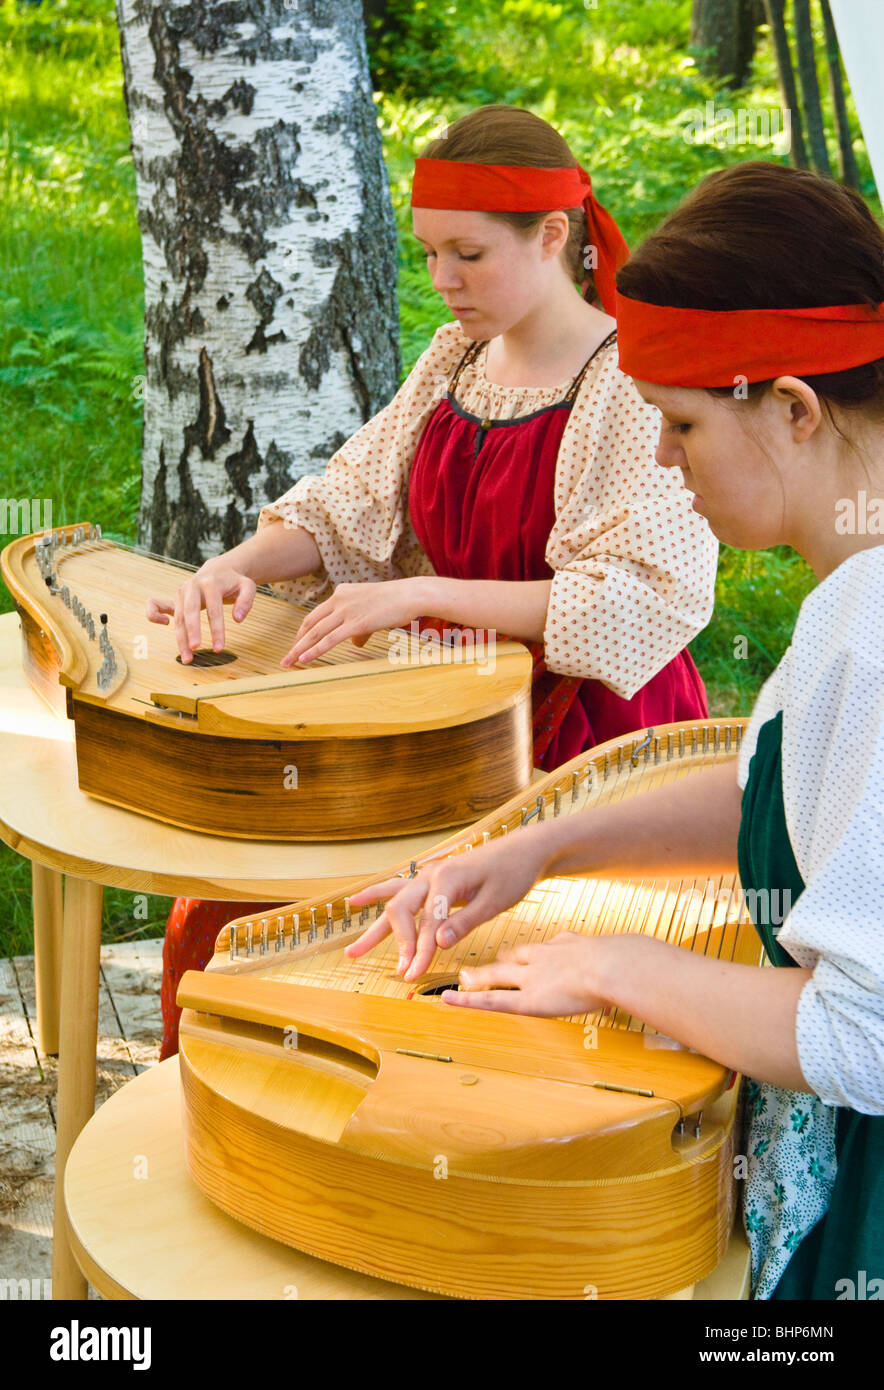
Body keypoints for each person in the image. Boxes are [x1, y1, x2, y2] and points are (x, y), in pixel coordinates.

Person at [346, 160, 884, 1301]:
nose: (656, 458)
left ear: (791, 407)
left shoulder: (871, 632)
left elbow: (863, 1039)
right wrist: (541, 845)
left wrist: (613, 963)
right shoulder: (852, 591)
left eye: (678, 421)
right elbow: (778, 791)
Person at [147, 105, 717, 1058]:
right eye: (430, 257)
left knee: (454, 983)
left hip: (583, 737)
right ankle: (215, 1133)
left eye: (468, 255)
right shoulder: (456, 360)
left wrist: (419, 596)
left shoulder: (625, 383)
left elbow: (630, 602)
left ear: (552, 235)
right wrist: (238, 563)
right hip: (439, 709)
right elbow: (353, 500)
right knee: (223, 917)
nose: (444, 282)